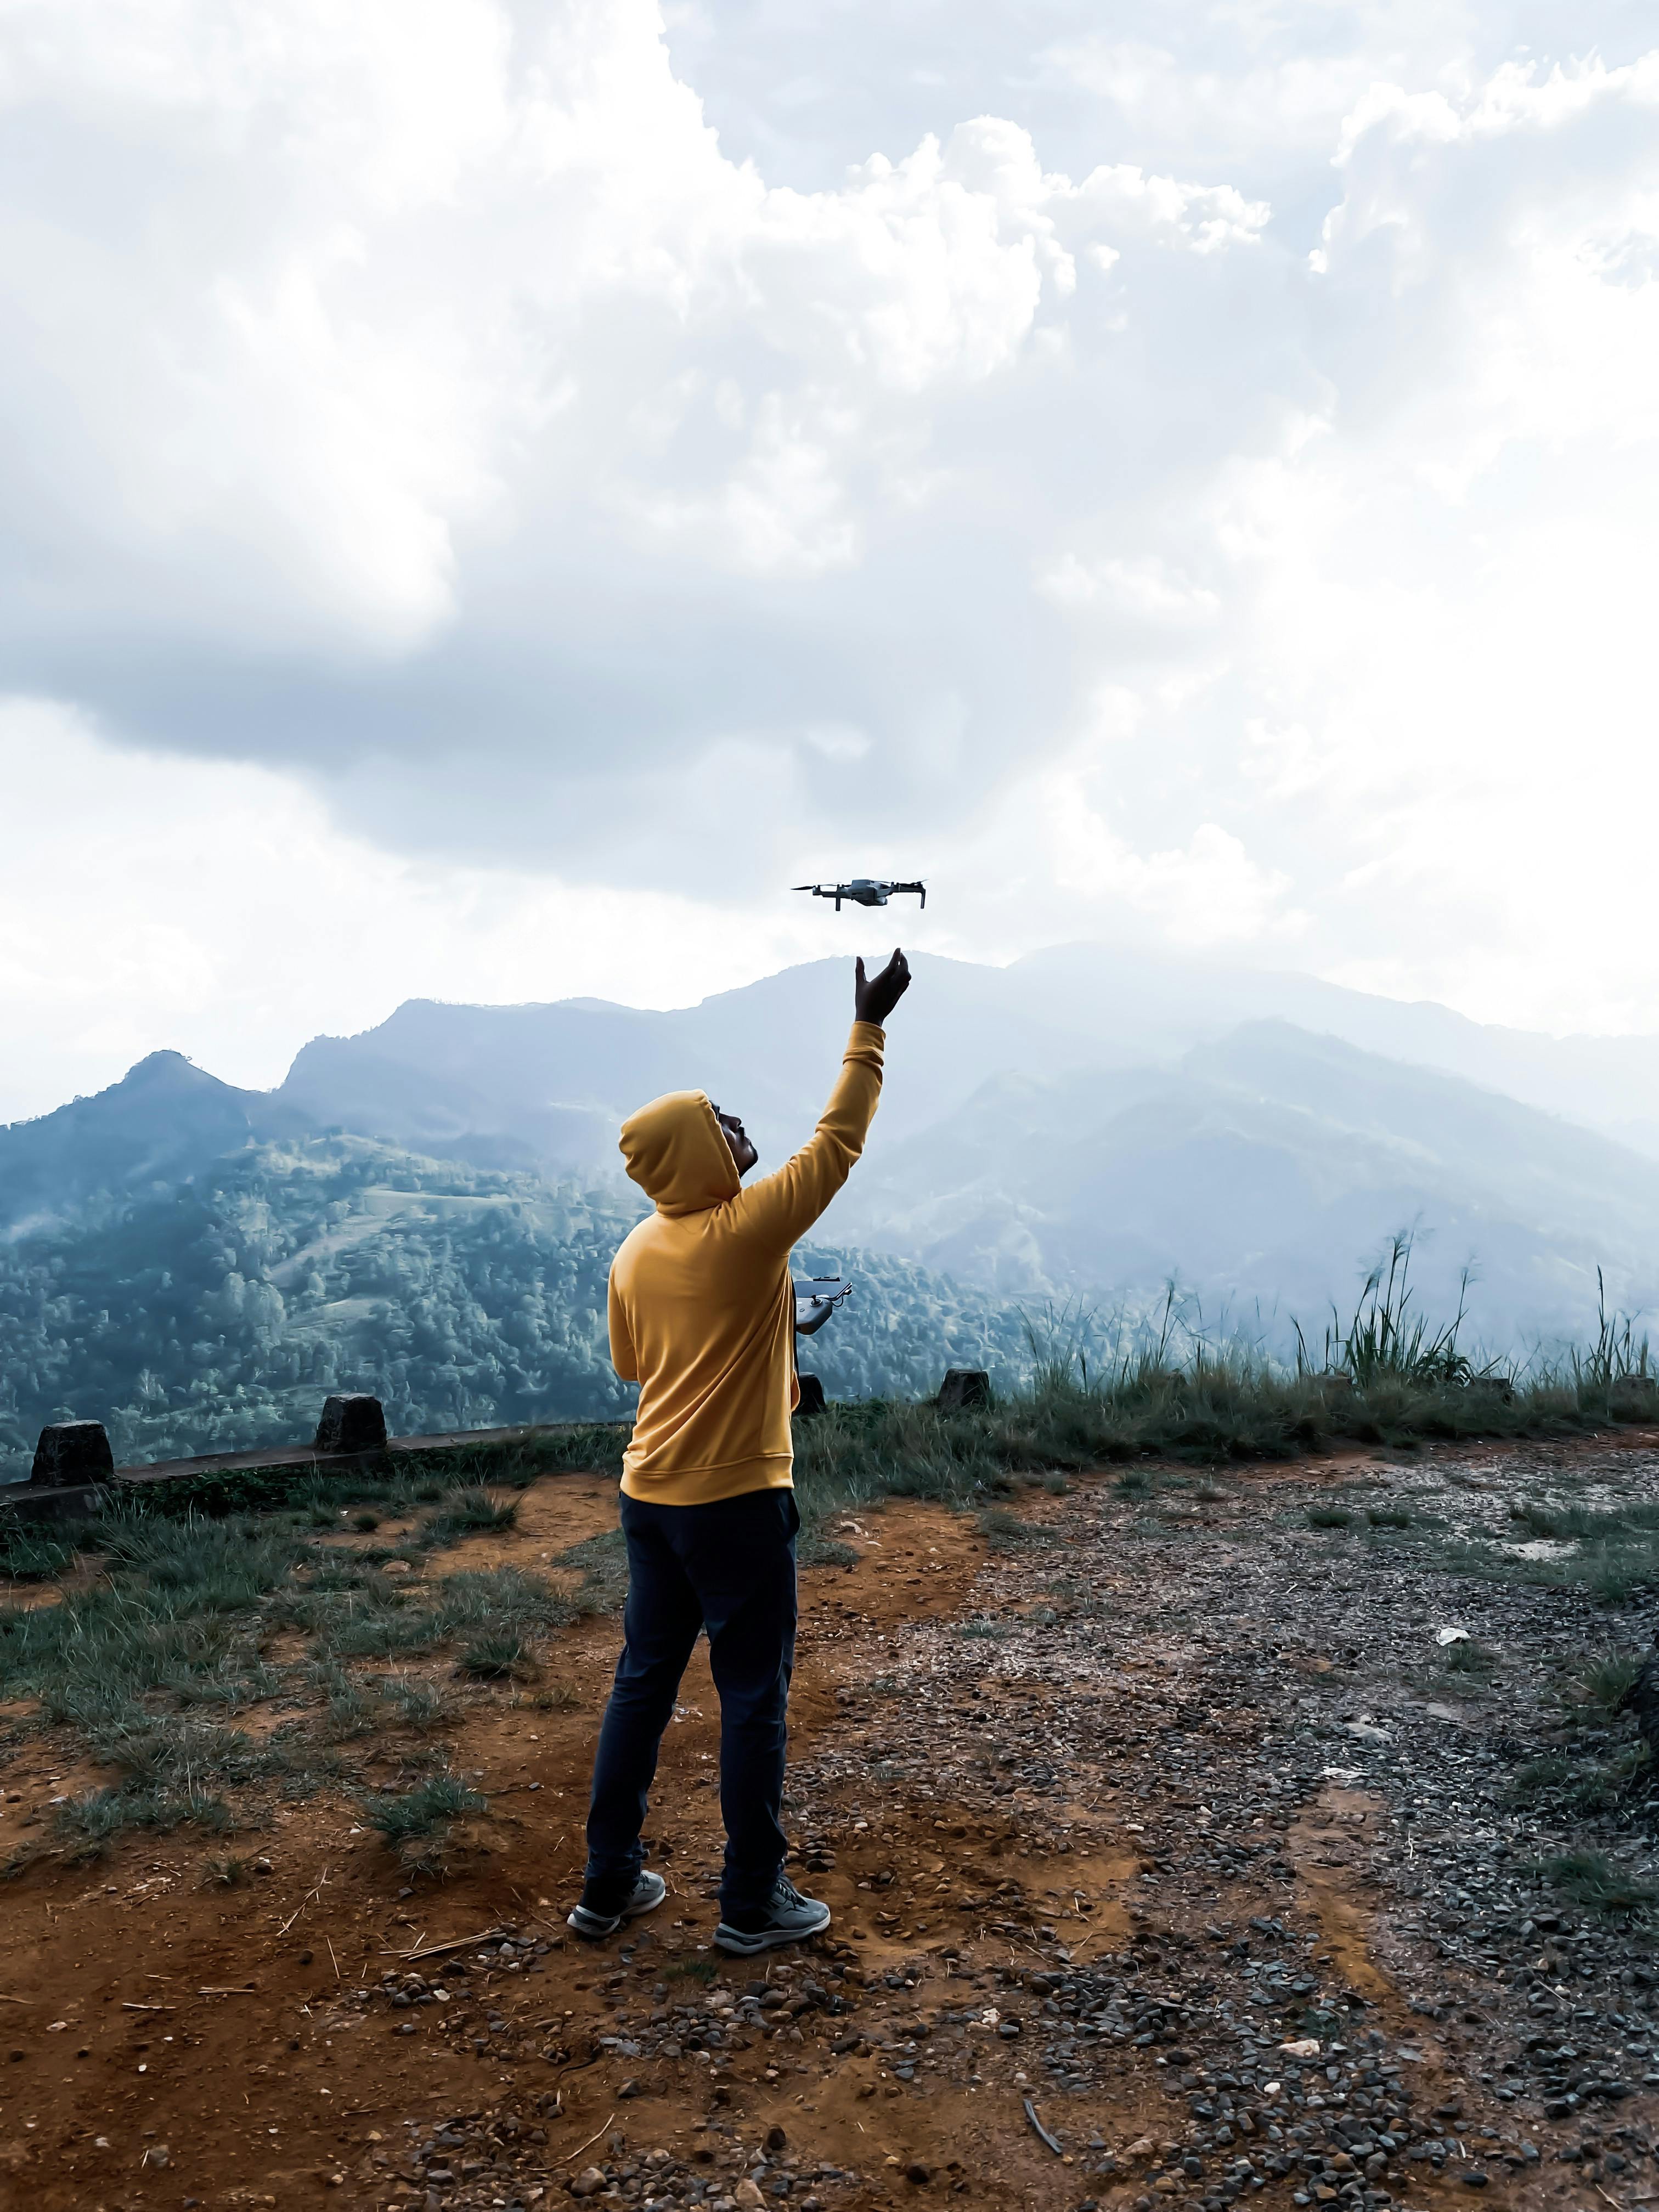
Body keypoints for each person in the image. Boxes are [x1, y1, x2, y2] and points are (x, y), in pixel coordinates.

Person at [568, 949, 912, 1955]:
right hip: (736, 1507)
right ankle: (751, 1902)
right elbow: (836, 1144)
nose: (734, 1125)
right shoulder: (748, 1230)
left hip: (650, 1496)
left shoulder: (638, 1250)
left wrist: (764, 1338)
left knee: (643, 1682)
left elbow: (641, 1363)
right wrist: (869, 1027)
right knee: (753, 1694)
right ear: (696, 1157)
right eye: (717, 1122)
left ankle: (607, 1885)